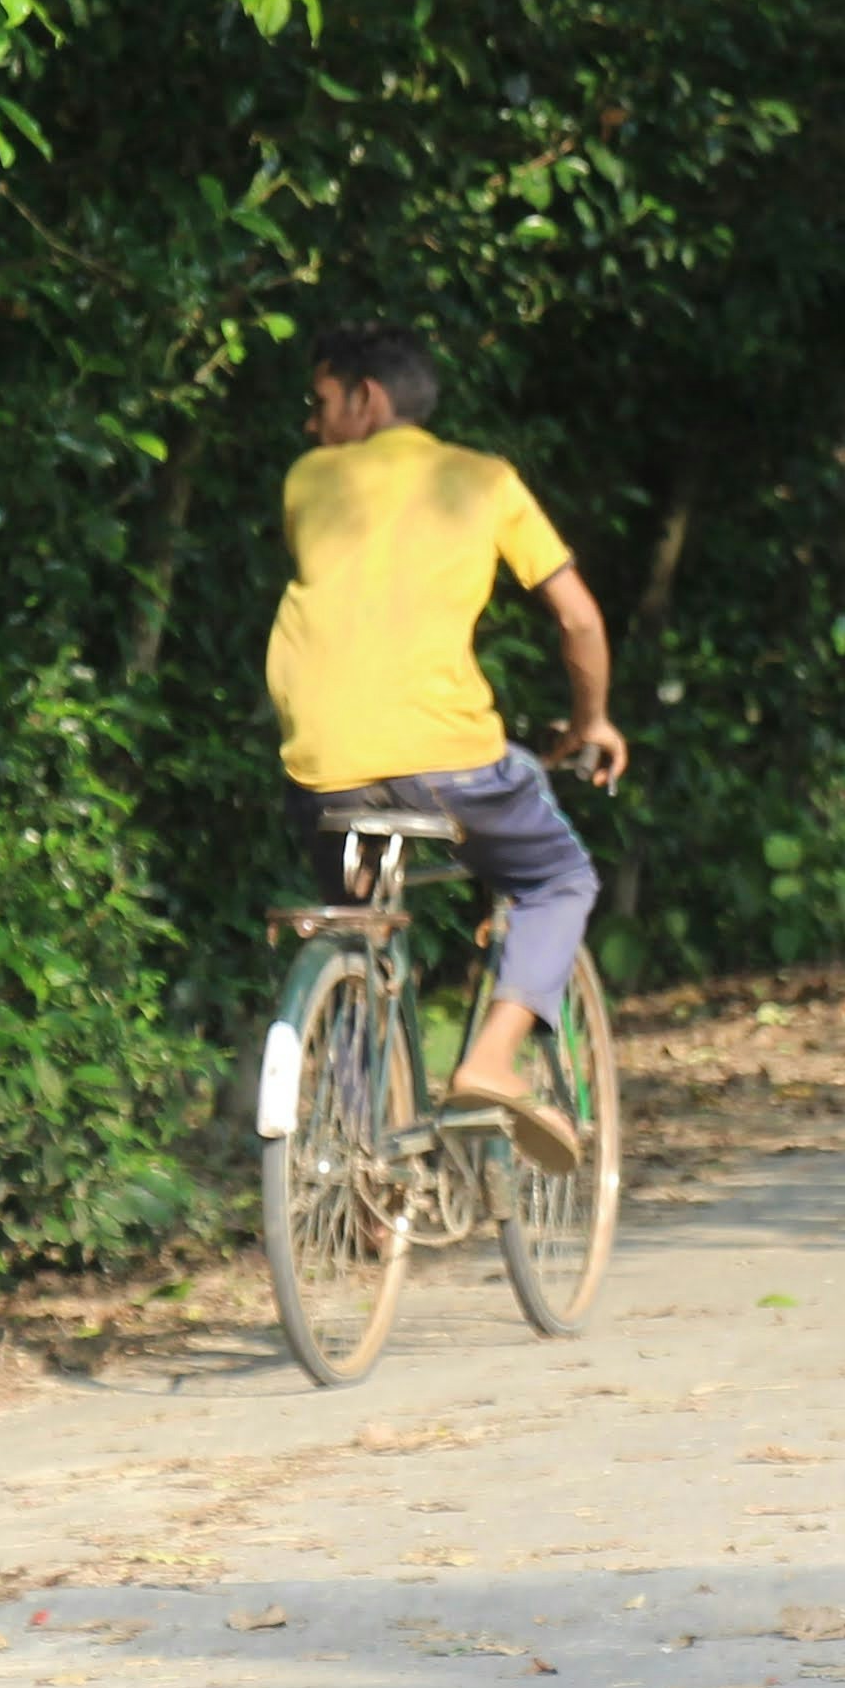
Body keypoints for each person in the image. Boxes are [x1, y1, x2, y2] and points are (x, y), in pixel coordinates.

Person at [266, 324, 626, 1172]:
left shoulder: (310, 479)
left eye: (321, 404)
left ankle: (357, 1165)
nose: (313, 426)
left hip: (320, 766)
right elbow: (577, 616)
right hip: (449, 763)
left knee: (362, 926)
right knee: (557, 878)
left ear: (368, 399)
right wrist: (594, 719)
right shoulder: (485, 480)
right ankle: (491, 1060)